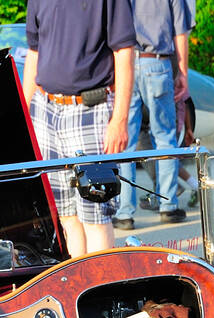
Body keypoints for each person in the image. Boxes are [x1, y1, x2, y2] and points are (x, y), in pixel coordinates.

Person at [23, 0, 136, 258]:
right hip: (45, 109)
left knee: (95, 214)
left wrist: (119, 120)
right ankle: (78, 291)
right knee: (65, 216)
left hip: (90, 110)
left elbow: (124, 52)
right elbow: (33, 53)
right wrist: (25, 115)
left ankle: (101, 293)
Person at [113, 0, 191, 230]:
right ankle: (168, 206)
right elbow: (181, 34)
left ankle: (124, 212)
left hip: (126, 65)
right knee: (165, 137)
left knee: (126, 142)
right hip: (157, 64)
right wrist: (183, 73)